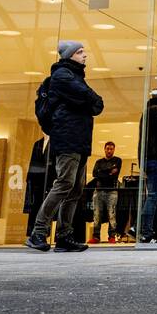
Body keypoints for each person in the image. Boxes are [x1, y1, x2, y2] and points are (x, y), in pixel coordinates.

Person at [25, 41, 104, 253]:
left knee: (75, 189)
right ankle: (38, 232)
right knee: (64, 184)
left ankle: (63, 236)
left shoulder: (75, 76)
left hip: (79, 140)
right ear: (69, 56)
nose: (85, 55)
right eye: (80, 52)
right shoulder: (62, 76)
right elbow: (92, 98)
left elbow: (96, 104)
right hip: (67, 139)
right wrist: (88, 101)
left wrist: (89, 102)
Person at [138, 94, 157, 243]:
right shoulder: (156, 111)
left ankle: (144, 229)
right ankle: (146, 230)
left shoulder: (145, 114)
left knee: (152, 195)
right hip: (155, 158)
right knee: (154, 196)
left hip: (147, 159)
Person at [89, 141, 122, 243]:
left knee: (112, 215)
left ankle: (111, 236)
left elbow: (115, 174)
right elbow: (95, 173)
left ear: (114, 150)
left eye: (111, 149)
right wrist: (109, 172)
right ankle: (96, 237)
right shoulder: (98, 162)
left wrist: (102, 172)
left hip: (112, 191)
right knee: (97, 215)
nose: (109, 151)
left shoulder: (118, 160)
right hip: (98, 191)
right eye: (107, 148)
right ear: (104, 149)